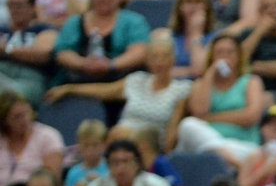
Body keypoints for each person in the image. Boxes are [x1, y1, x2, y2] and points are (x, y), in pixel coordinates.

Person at [47, 34, 192, 147]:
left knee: (121, 133)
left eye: (165, 56)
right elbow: (103, 91)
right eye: (154, 57)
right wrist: (69, 88)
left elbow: (173, 129)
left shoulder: (181, 89)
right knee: (104, 133)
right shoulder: (136, 80)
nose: (160, 62)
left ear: (174, 59)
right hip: (121, 136)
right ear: (147, 61)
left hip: (151, 143)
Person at [172, 33, 271, 166]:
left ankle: (222, 156)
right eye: (219, 52)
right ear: (211, 56)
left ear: (239, 56)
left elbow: (251, 116)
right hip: (205, 147)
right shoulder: (200, 84)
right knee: (188, 124)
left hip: (241, 147)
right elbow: (200, 112)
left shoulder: (251, 81)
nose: (224, 57)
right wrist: (210, 74)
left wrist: (211, 118)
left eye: (230, 52)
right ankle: (225, 157)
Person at [53, 0, 150, 85]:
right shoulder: (75, 21)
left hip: (121, 83)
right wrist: (83, 64)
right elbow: (63, 52)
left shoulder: (134, 20)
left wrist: (110, 65)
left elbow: (140, 51)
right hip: (78, 82)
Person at [0, 89, 63, 186]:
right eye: (16, 117)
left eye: (26, 113)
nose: (24, 120)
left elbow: (51, 180)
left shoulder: (48, 137)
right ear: (4, 121)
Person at [0, 0, 57, 106]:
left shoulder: (43, 29)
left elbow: (43, 54)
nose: (15, 10)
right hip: (2, 73)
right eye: (11, 5)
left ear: (32, 8)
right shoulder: (2, 30)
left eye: (19, 5)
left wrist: (7, 50)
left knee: (9, 94)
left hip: (30, 78)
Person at [62, 118, 107, 186]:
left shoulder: (110, 169)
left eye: (95, 145)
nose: (90, 150)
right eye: (86, 145)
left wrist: (101, 184)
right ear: (79, 145)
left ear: (104, 145)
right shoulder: (73, 173)